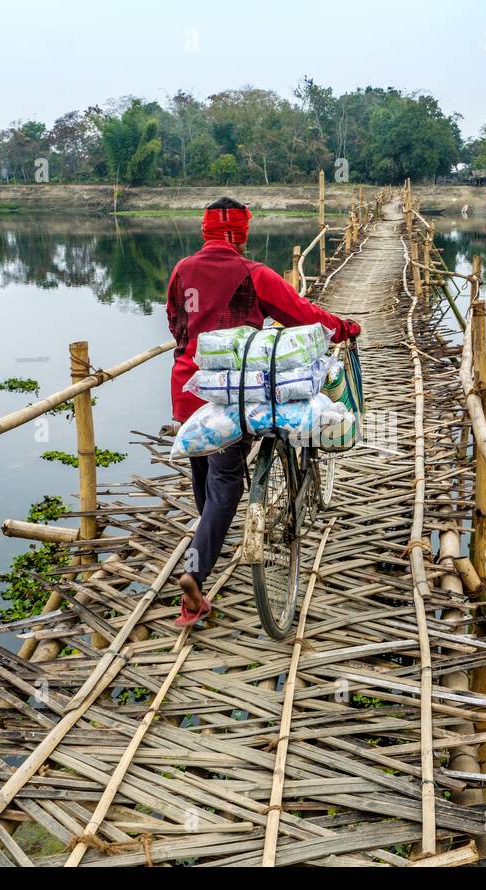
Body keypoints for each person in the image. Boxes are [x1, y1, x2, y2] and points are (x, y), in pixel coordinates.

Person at [165, 197, 360, 626]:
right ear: (240, 233)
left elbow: (177, 325)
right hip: (235, 399)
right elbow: (304, 316)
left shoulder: (181, 271)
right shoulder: (255, 274)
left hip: (190, 389)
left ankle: (206, 539)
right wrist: (345, 328)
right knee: (226, 486)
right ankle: (194, 578)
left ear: (205, 231)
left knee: (208, 479)